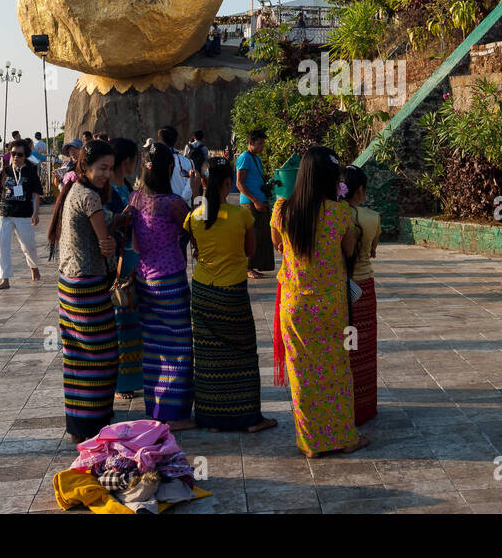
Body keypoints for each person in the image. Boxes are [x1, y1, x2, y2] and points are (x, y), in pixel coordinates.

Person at [270, 146, 367, 457]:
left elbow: (277, 244)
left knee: (302, 374)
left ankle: (311, 443)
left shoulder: (283, 210)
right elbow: (350, 251)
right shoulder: (340, 214)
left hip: (294, 305)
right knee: (337, 370)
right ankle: (343, 437)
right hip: (330, 306)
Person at [184, 158, 277, 433]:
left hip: (202, 291)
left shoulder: (195, 216)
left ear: (204, 183)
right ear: (228, 184)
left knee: (209, 356)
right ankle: (250, 419)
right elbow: (249, 252)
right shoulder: (241, 216)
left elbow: (196, 247)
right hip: (231, 293)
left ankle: (212, 418)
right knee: (244, 354)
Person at [47, 139, 120, 442]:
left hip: (69, 284)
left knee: (77, 355)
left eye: (110, 168)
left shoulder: (73, 190)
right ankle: (93, 423)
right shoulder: (89, 197)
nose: (107, 174)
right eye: (102, 168)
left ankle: (80, 423)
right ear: (86, 166)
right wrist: (115, 246)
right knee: (102, 354)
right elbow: (104, 245)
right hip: (88, 284)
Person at [126, 143, 194, 430]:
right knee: (179, 345)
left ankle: (155, 408)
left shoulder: (134, 199)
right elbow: (194, 229)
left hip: (144, 278)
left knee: (153, 346)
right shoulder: (173, 203)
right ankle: (175, 414)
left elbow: (135, 240)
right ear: (169, 169)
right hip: (170, 280)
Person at [341, 165, 380, 425]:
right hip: (364, 286)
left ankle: (342, 404)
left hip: (339, 286)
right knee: (363, 348)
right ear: (362, 190)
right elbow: (373, 250)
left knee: (344, 347)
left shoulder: (334, 215)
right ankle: (363, 406)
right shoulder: (373, 217)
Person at [106, 137, 144, 402]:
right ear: (127, 161)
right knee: (121, 321)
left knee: (133, 321)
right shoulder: (108, 191)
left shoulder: (126, 186)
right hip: (118, 263)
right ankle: (120, 382)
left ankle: (134, 377)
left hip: (133, 261)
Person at [0, 139, 43, 290]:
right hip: (4, 212)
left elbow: (36, 194)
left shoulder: (30, 172)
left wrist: (36, 213)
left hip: (23, 214)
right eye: (13, 154)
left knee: (28, 246)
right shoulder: (5, 171)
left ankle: (34, 267)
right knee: (2, 246)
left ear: (25, 156)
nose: (16, 157)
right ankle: (5, 279)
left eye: (20, 154)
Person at [235, 129, 274, 278]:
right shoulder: (245, 157)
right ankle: (247, 267)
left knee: (263, 234)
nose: (262, 146)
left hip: (260, 200)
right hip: (250, 203)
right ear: (251, 143)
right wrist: (256, 200)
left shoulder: (256, 158)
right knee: (252, 234)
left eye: (263, 143)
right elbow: (239, 183)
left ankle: (256, 265)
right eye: (260, 143)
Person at [158, 126, 198, 205]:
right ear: (176, 141)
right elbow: (190, 185)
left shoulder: (154, 161)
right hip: (183, 209)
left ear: (159, 141)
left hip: (160, 208)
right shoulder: (188, 162)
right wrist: (179, 202)